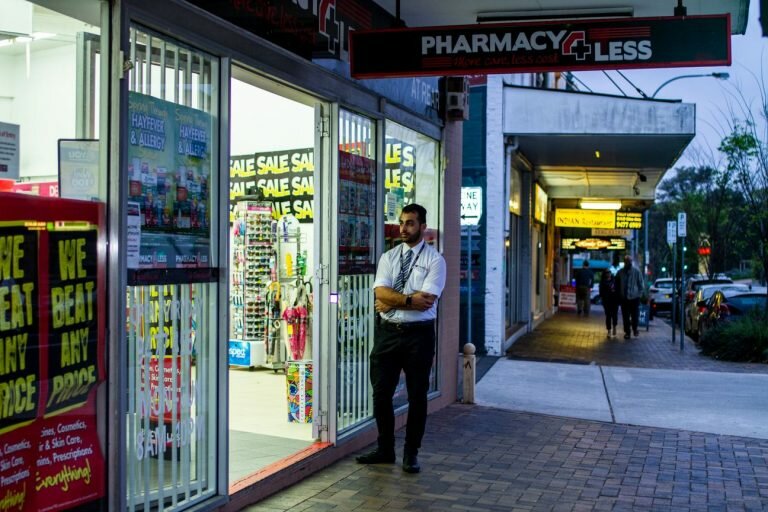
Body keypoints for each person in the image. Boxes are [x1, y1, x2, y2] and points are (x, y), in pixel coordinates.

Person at [357, 203, 446, 474]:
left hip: (419, 336)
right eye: (402, 222)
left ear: (422, 226)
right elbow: (380, 294)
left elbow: (427, 301)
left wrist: (393, 302)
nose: (404, 228)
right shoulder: (389, 256)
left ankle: (411, 453)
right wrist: (408, 299)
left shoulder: (435, 260)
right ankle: (385, 449)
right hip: (388, 334)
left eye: (410, 223)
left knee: (417, 396)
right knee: (381, 393)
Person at [615, 254, 644, 339]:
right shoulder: (620, 273)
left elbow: (641, 285)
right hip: (624, 298)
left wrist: (639, 295)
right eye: (626, 261)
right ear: (624, 262)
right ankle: (627, 332)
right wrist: (618, 294)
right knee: (625, 316)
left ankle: (635, 329)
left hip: (634, 298)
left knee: (635, 316)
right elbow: (616, 284)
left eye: (629, 261)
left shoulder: (636, 272)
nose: (628, 263)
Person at [599, 269, 619, 337]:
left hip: (614, 301)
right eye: (607, 273)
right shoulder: (602, 282)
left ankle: (614, 327)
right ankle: (609, 330)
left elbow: (617, 289)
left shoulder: (614, 280)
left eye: (609, 272)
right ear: (604, 274)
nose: (608, 274)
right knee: (608, 316)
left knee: (614, 315)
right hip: (606, 301)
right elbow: (601, 292)